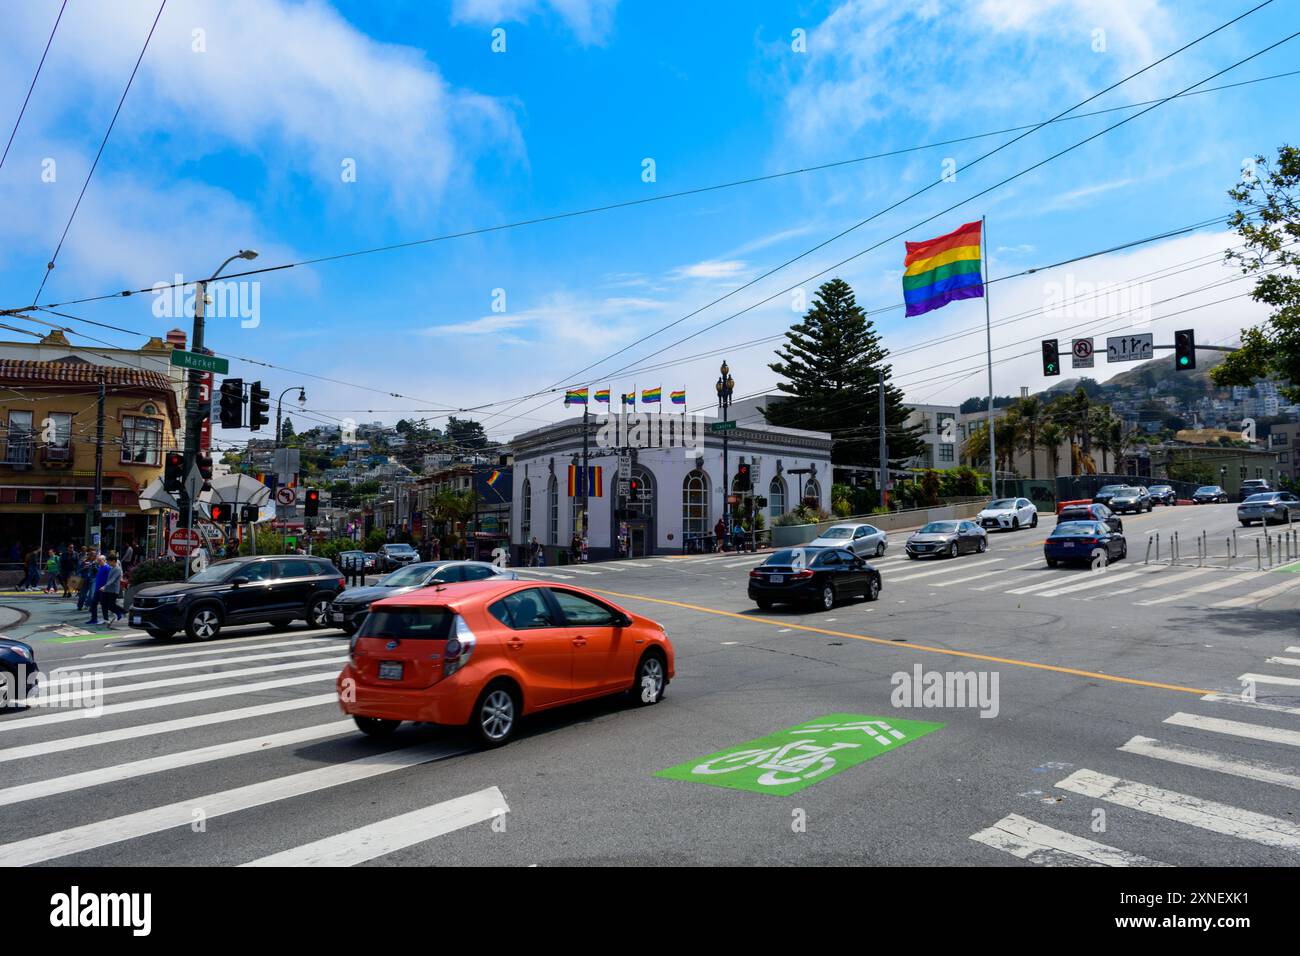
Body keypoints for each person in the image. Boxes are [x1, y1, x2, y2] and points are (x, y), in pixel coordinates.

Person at [97, 552, 125, 628]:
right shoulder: (112, 568)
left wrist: (104, 587)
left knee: (111, 605)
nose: (108, 562)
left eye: (109, 561)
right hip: (108, 590)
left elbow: (112, 580)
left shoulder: (117, 569)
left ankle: (121, 613)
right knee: (104, 603)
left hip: (113, 590)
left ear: (113, 561)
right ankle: (122, 612)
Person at [84, 554, 109, 626]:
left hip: (103, 589)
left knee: (104, 605)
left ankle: (106, 619)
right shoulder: (100, 567)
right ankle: (94, 619)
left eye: (100, 560)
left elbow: (109, 579)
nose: (99, 562)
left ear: (104, 560)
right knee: (93, 604)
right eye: (98, 560)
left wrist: (105, 587)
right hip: (97, 589)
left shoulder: (107, 568)